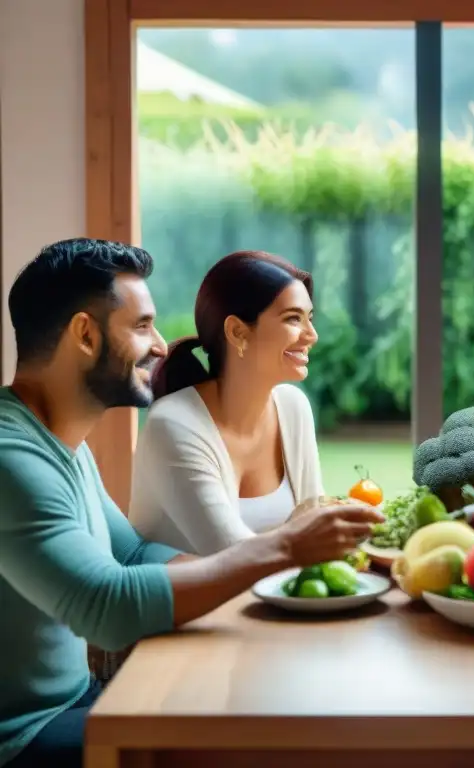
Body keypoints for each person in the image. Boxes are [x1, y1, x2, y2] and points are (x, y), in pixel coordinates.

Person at [0, 239, 383, 768]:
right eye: (141, 327)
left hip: (74, 703)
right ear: (85, 335)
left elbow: (133, 555)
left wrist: (254, 575)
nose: (161, 346)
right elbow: (107, 608)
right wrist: (284, 549)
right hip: (23, 737)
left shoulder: (60, 446)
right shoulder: (9, 457)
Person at [129, 250, 329, 556]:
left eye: (309, 319)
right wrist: (317, 531)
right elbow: (233, 557)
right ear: (237, 332)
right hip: (188, 604)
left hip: (275, 600)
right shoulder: (173, 424)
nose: (311, 335)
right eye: (293, 318)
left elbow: (315, 523)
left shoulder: (293, 407)